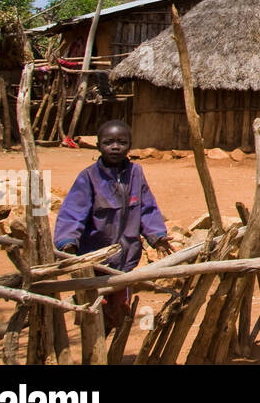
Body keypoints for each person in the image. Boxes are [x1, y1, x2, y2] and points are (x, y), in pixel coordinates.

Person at [55, 120, 173, 331]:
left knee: (120, 313)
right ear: (98, 146)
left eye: (122, 142)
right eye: (109, 142)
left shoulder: (136, 174)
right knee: (93, 314)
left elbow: (147, 208)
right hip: (93, 260)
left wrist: (157, 236)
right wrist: (68, 243)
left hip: (124, 261)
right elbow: (72, 213)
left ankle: (112, 346)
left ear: (130, 146)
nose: (115, 147)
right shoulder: (89, 177)